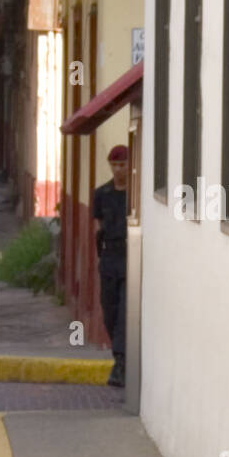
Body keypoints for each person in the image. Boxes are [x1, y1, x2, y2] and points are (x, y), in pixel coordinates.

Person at [92, 144, 128, 387]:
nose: (117, 170)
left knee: (126, 310)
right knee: (110, 310)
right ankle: (119, 357)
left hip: (129, 257)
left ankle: (120, 362)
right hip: (109, 257)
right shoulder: (102, 193)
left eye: (122, 164)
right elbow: (98, 229)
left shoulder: (135, 193)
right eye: (114, 165)